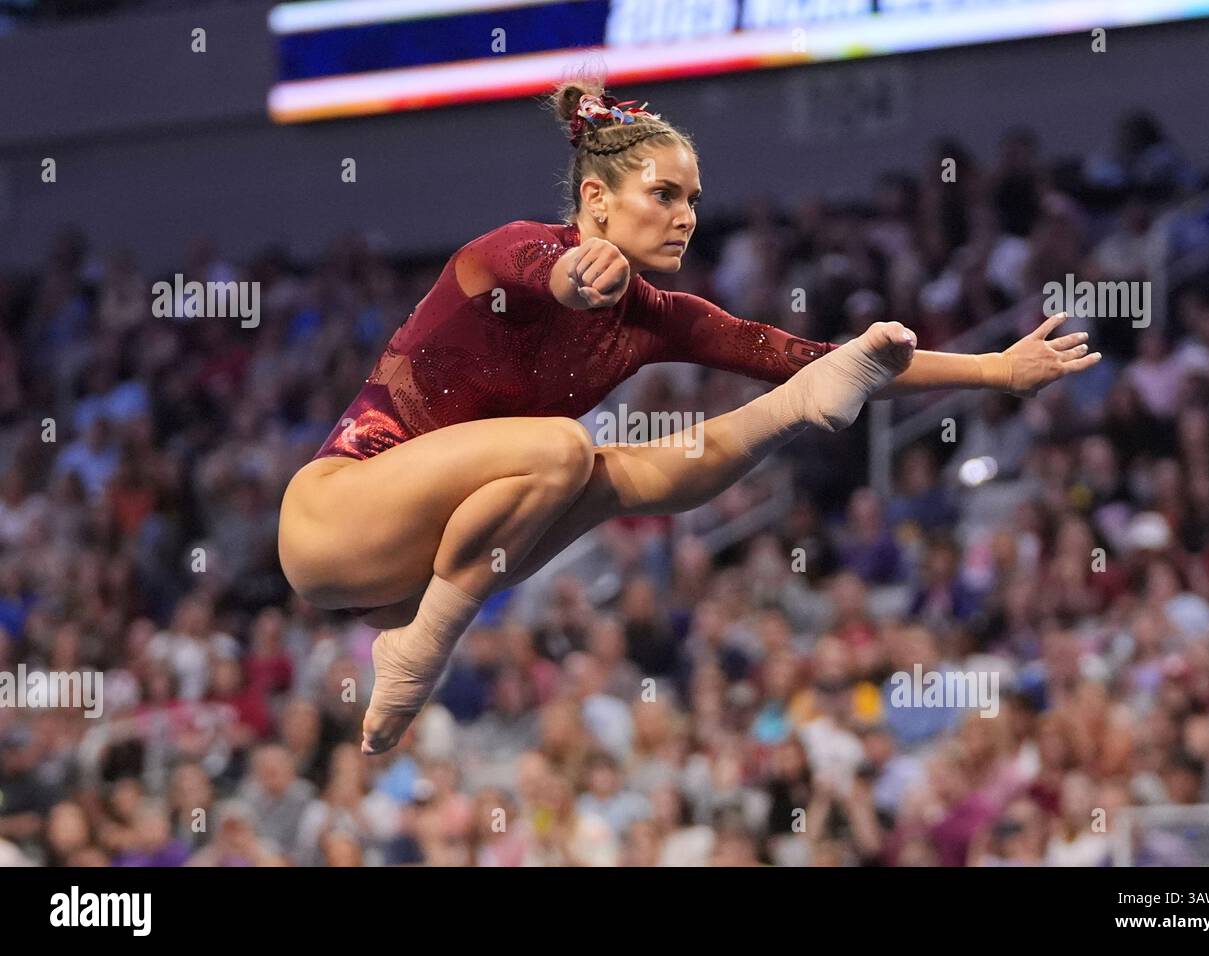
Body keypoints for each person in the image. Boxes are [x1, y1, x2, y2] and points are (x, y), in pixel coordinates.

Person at [278, 73, 1099, 755]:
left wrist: (996, 368)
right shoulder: (510, 251)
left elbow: (823, 353)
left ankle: (788, 417)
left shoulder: (655, 318)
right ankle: (419, 651)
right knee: (565, 453)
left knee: (623, 474)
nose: (687, 217)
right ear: (595, 199)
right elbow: (537, 272)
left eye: (695, 200)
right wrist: (573, 274)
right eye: (663, 194)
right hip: (334, 519)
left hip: (407, 569)